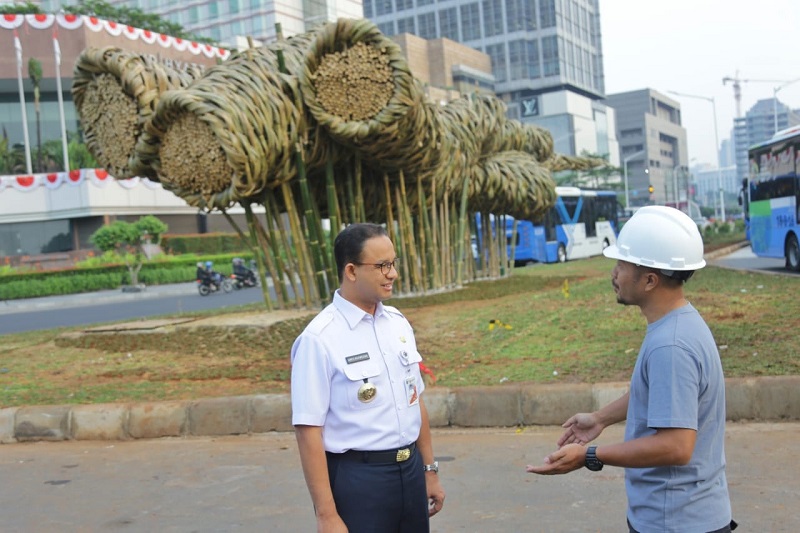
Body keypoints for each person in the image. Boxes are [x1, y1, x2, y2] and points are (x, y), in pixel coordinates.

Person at [527, 206, 736, 533]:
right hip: (682, 515)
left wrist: (590, 455)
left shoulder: (671, 346)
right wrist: (600, 419)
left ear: (650, 280)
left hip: (675, 521)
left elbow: (676, 446)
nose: (614, 273)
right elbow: (657, 393)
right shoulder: (679, 323)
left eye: (622, 264)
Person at [291, 222, 445, 532]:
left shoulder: (398, 324)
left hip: (411, 471)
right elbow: (308, 431)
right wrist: (327, 515)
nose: (392, 274)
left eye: (393, 263)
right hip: (360, 481)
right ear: (351, 270)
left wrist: (429, 470)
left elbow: (415, 399)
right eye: (382, 266)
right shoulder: (319, 339)